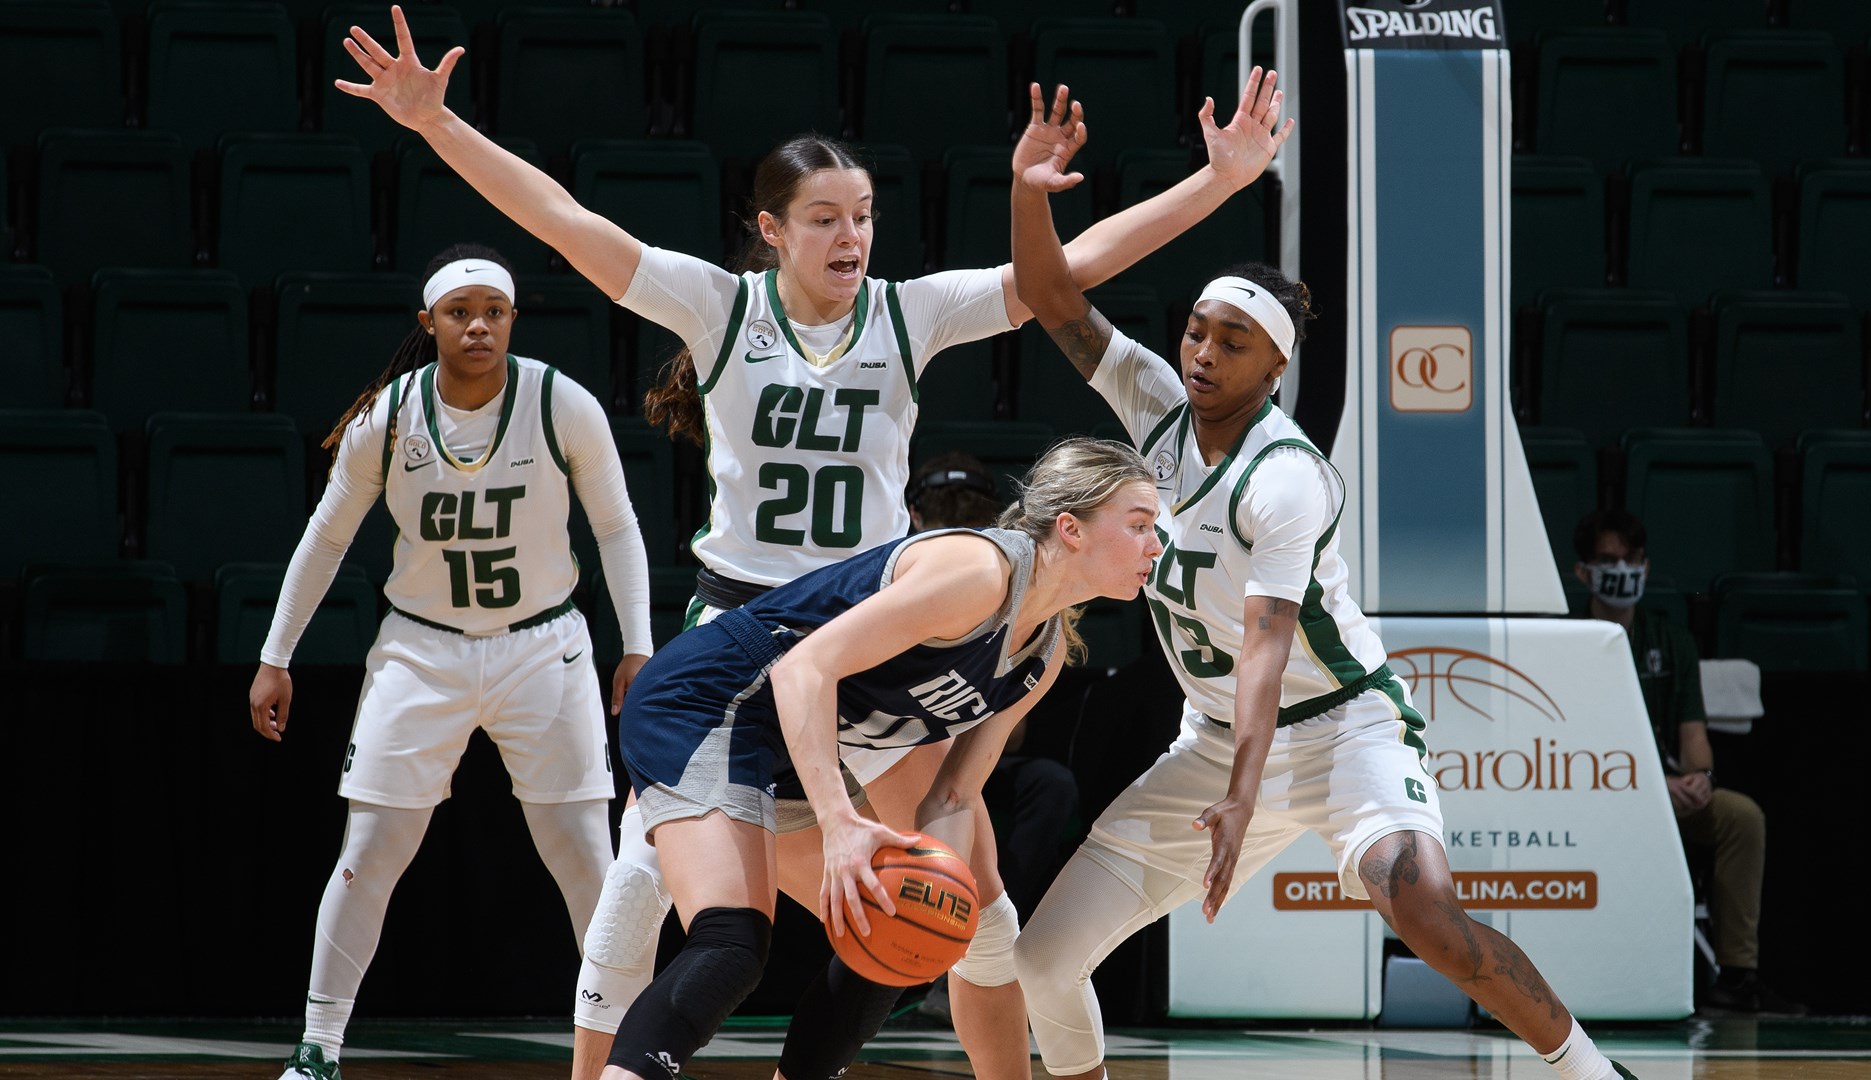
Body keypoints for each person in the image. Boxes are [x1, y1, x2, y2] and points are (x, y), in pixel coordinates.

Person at [333, 10, 1290, 1077]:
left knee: (972, 912)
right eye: (826, 218)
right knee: (643, 892)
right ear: (772, 229)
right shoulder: (719, 307)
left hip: (877, 640)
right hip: (741, 633)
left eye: (865, 217)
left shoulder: (908, 315)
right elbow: (562, 220)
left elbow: (1069, 271)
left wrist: (1219, 183)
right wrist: (437, 125)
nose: (851, 237)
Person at [1005, 112, 1640, 1080]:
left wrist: (1243, 795)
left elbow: (1267, 642)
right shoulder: (1155, 406)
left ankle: (1595, 1074)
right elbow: (1050, 294)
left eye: (1231, 342)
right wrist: (1027, 191)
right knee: (1043, 961)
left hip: (1344, 732)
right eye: (1196, 331)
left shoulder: (1288, 476)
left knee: (1426, 912)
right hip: (1216, 740)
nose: (1202, 353)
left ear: (1276, 366)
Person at [600, 437, 1162, 1080]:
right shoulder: (978, 573)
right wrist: (840, 824)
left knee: (894, 936)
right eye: (1139, 525)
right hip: (711, 701)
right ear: (1071, 528)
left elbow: (952, 795)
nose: (1155, 546)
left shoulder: (1045, 653)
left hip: (792, 745)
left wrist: (937, 886)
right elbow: (802, 669)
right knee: (731, 946)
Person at [248, 245, 654, 1080]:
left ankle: (629, 1052)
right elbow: (326, 538)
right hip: (421, 650)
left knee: (589, 858)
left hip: (544, 648)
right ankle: (318, 1049)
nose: (478, 326)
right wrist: (274, 653)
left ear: (514, 320)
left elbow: (617, 527)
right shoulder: (387, 418)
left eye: (493, 311)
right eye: (460, 312)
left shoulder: (560, 403)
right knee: (369, 853)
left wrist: (638, 644)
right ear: (427, 323)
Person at [1571, 509, 1803, 1016]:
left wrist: (1699, 779)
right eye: (1608, 560)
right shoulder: (1566, 639)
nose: (1623, 570)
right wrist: (1654, 787)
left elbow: (1694, 739)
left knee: (1741, 817)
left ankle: (1737, 976)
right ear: (1583, 571)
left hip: (1665, 796)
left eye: (1632, 559)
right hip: (1586, 797)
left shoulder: (1670, 640)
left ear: (1646, 567)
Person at [903, 452, 1083, 1025]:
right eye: (945, 514)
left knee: (1046, 783)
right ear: (914, 518)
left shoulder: (1016, 594)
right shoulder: (921, 574)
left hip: (965, 750)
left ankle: (998, 942)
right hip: (889, 741)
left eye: (969, 515)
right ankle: (919, 955)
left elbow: (1013, 729)